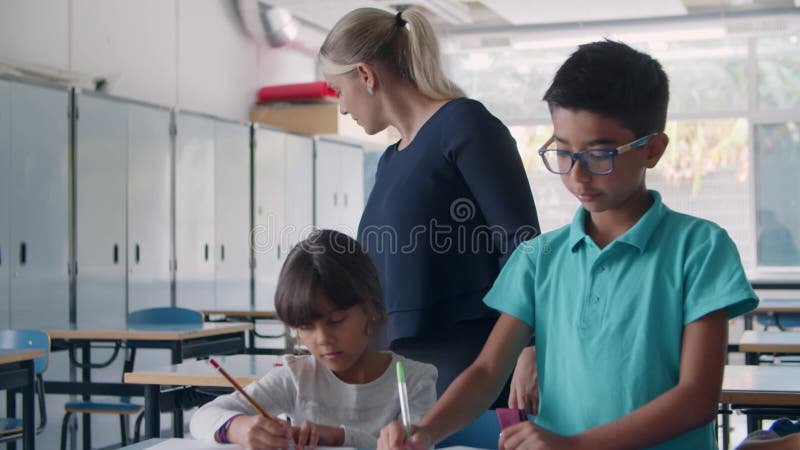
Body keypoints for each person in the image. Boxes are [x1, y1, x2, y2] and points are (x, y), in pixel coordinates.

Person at [377, 40, 759, 450]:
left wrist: (575, 445)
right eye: (562, 151)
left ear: (652, 149)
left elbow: (696, 399)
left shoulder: (700, 249)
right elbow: (487, 372)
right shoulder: (538, 259)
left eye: (599, 154)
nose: (577, 175)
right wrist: (426, 431)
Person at [318, 7, 539, 402]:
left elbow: (521, 244)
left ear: (366, 75)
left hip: (472, 359)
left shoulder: (463, 124)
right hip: (403, 368)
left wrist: (530, 346)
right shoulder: (390, 160)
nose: (343, 108)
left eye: (338, 90)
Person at [190, 230, 437, 450]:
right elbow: (204, 416)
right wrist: (240, 428)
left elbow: (418, 446)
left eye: (336, 320)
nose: (322, 339)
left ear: (370, 308)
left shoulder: (414, 380)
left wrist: (341, 437)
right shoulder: (297, 377)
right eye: (306, 327)